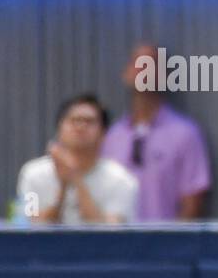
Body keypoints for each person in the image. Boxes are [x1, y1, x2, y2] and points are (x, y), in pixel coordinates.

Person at [102, 43, 211, 221]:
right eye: (138, 64)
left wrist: (171, 246)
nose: (144, 70)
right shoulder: (112, 136)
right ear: (126, 74)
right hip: (116, 242)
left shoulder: (185, 133)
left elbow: (192, 202)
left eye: (151, 64)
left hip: (165, 243)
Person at [16, 93, 137, 225]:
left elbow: (111, 234)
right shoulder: (31, 174)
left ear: (103, 133)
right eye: (73, 120)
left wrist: (76, 178)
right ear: (59, 129)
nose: (80, 126)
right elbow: (28, 224)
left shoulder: (122, 181)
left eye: (89, 121)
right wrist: (62, 188)